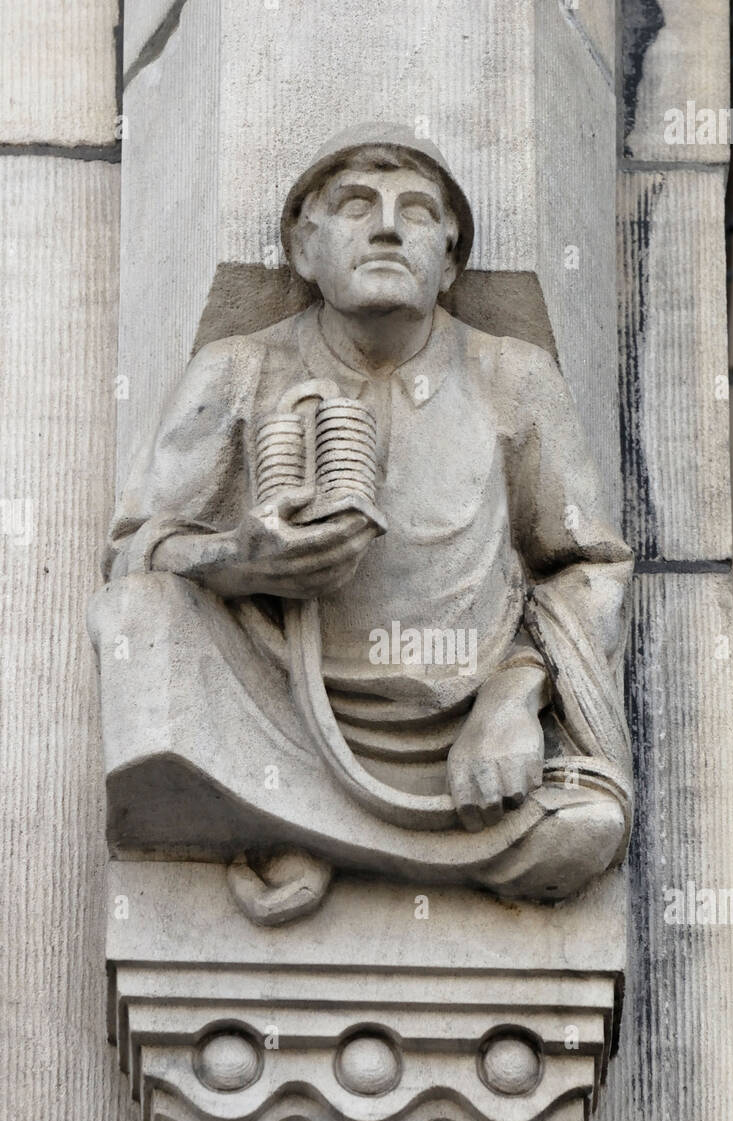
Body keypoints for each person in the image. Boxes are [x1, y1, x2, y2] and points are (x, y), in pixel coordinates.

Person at [89, 122, 633, 911]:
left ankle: (305, 836)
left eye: (415, 211)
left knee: (584, 825)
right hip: (279, 707)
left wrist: (511, 699)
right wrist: (240, 559)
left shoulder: (511, 378)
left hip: (457, 738)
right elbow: (135, 554)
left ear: (448, 262)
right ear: (303, 250)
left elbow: (588, 563)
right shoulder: (239, 370)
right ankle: (339, 829)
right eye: (354, 205)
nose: (385, 226)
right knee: (135, 620)